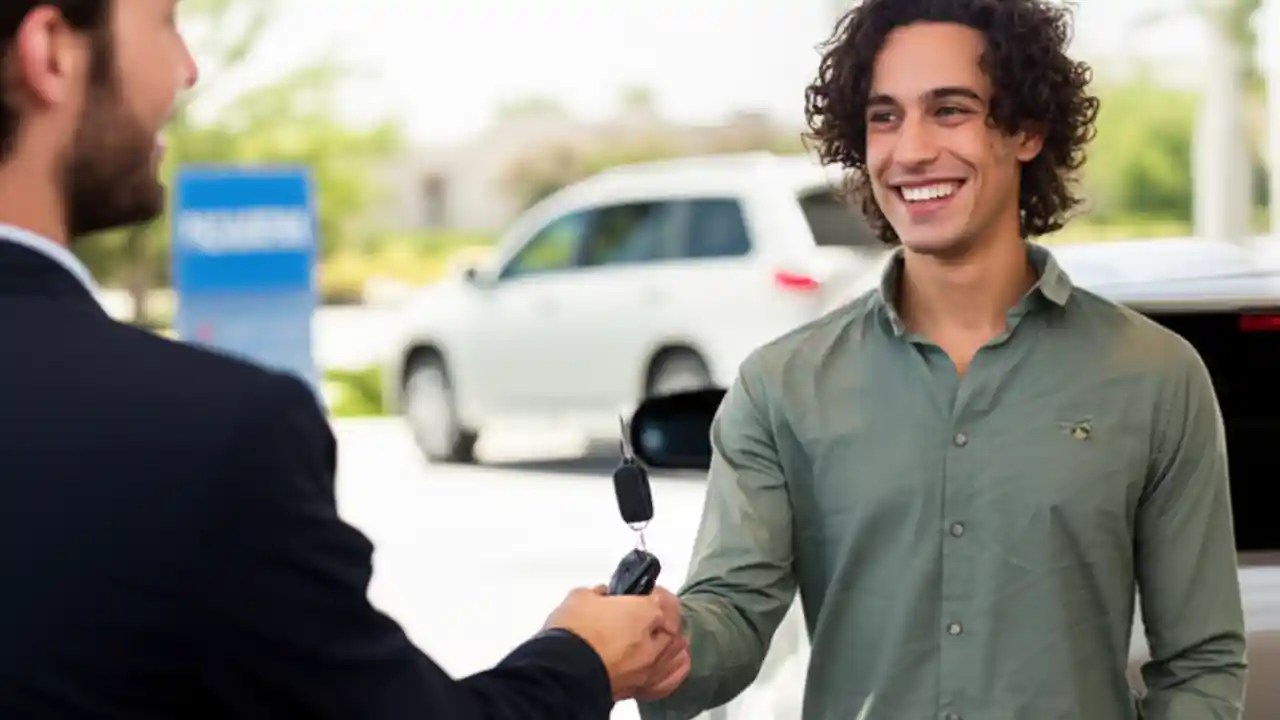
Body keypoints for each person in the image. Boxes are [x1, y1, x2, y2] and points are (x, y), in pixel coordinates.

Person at [0, 1, 690, 717]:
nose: (188, 68)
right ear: (51, 51)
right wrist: (582, 658)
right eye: (166, 21)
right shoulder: (215, 437)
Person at [636, 1, 1249, 718]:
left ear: (1025, 129)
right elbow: (732, 619)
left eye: (949, 110)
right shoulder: (781, 387)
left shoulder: (1154, 376)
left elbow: (1201, 664)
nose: (912, 150)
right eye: (885, 117)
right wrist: (659, 644)